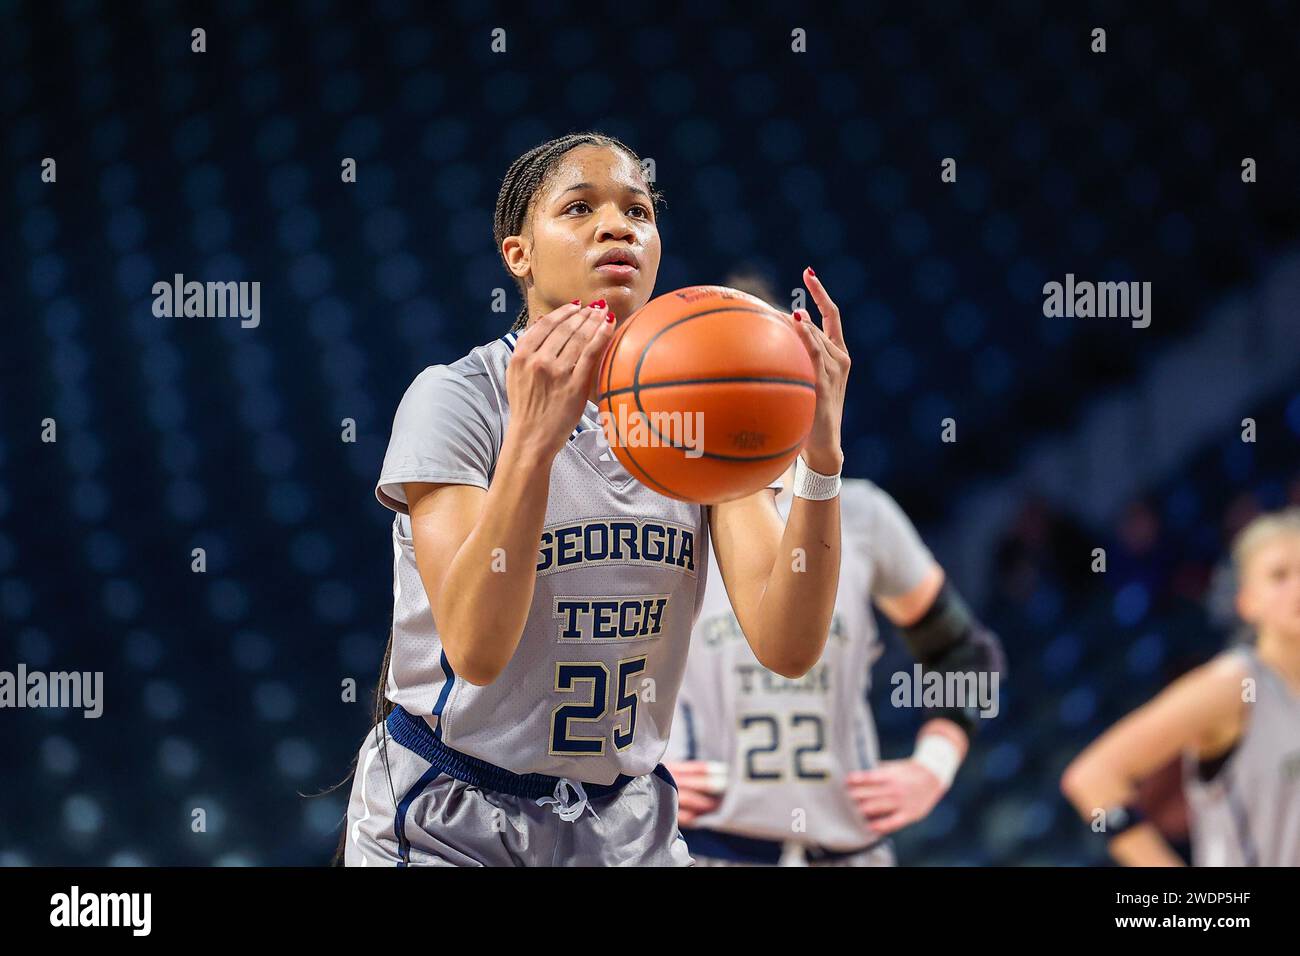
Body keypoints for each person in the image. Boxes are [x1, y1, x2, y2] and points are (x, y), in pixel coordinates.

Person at [340, 132, 852, 866]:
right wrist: (532, 447)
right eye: (579, 208)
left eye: (638, 212)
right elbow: (476, 651)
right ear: (518, 255)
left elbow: (789, 645)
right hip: (452, 818)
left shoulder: (699, 417)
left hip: (622, 823)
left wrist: (821, 460)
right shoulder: (456, 399)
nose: (618, 226)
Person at [663, 275, 1005, 866]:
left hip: (850, 848)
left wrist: (934, 766)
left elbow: (964, 653)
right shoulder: (666, 507)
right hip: (709, 846)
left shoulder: (863, 511)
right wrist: (642, 765)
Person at [1062, 507, 1300, 866]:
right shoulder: (1233, 685)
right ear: (1246, 602)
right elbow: (1092, 777)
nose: (1298, 585)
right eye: (1279, 575)